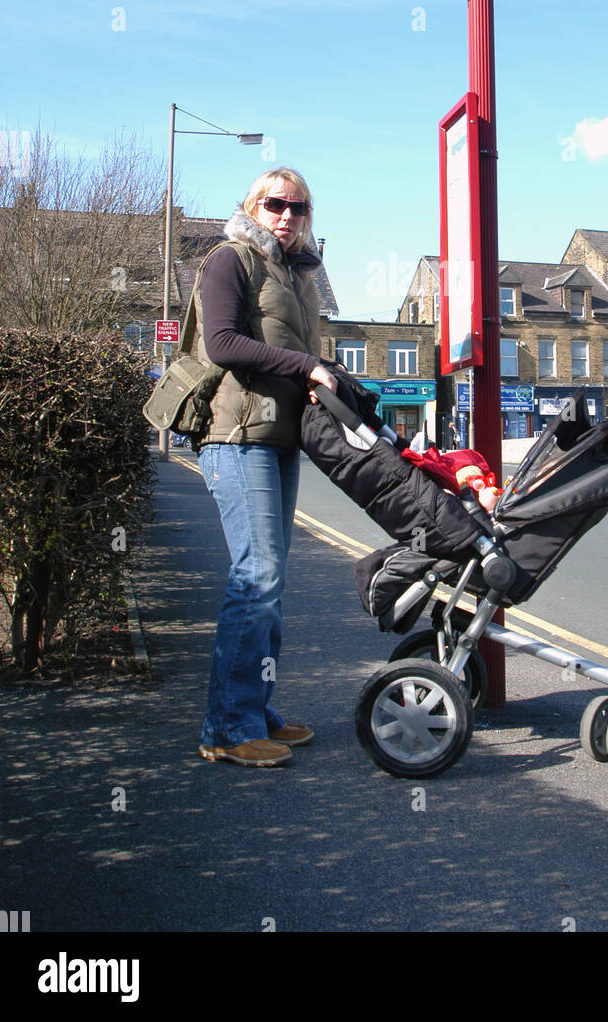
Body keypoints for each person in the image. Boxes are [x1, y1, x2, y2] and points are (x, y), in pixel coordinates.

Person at [194, 168, 337, 769]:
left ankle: (255, 708)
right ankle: (228, 727)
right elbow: (223, 343)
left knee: (270, 584)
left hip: (280, 440)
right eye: (275, 204)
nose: (288, 215)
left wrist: (322, 377)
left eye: (299, 208)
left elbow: (296, 354)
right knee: (255, 577)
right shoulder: (231, 259)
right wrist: (305, 366)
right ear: (253, 205)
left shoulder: (299, 273)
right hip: (237, 436)